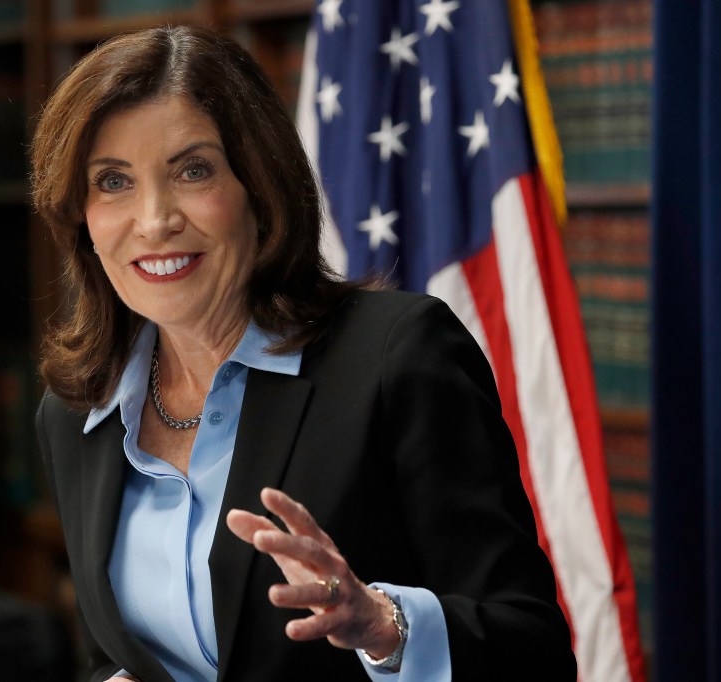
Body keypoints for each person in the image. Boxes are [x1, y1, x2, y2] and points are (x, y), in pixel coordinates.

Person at [31, 25, 575, 682]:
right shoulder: (75, 415)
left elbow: (535, 652)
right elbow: (116, 656)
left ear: (261, 188)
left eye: (192, 170)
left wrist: (384, 626)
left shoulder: (397, 358)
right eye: (112, 181)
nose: (153, 220)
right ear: (80, 217)